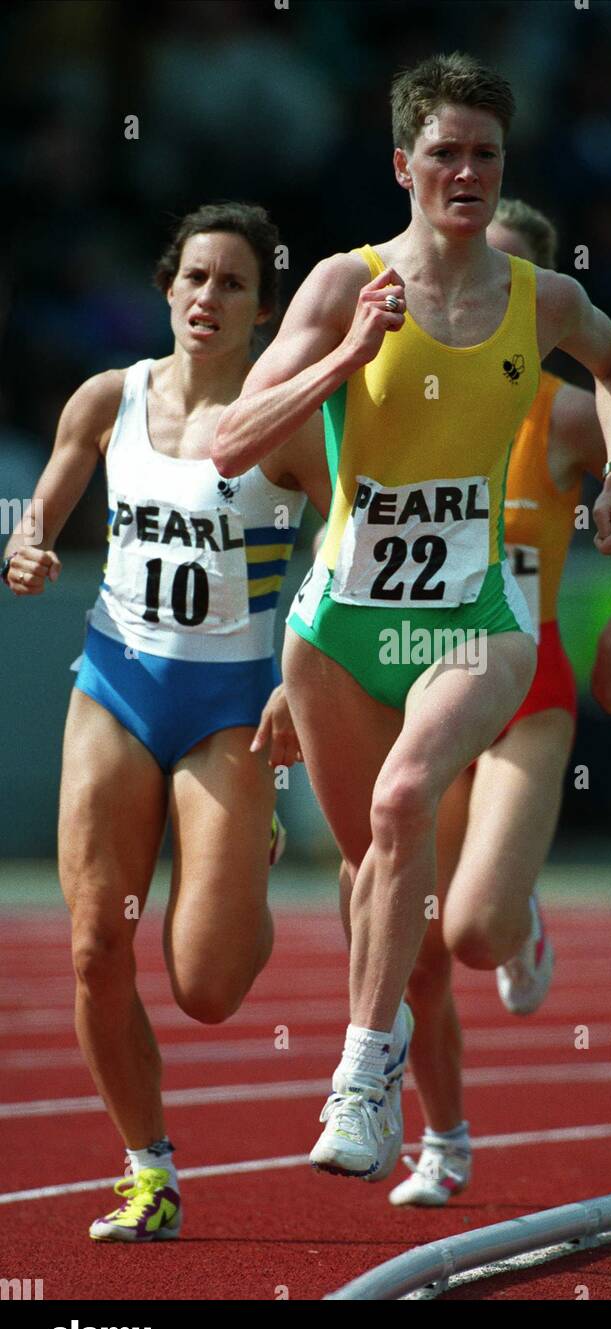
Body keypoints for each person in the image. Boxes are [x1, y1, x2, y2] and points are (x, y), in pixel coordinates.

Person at [213, 52, 611, 1181]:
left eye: (484, 155)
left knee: (409, 794)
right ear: (403, 165)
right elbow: (229, 440)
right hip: (340, 625)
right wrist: (349, 355)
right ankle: (434, 1113)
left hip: (474, 616)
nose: (465, 171)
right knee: (376, 883)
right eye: (444, 153)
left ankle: (360, 1086)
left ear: (502, 171)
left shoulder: (538, 299)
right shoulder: (338, 288)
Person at [1, 202, 328, 1239]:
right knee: (97, 947)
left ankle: (248, 858)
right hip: (116, 681)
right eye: (194, 277)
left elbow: (344, 540)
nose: (207, 298)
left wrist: (299, 671)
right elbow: (45, 500)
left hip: (232, 704)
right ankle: (149, 1170)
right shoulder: (111, 396)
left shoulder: (284, 418)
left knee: (208, 986)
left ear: (265, 309)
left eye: (233, 284)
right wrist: (26, 545)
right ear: (166, 287)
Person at [386, 198, 611, 1204]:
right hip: (422, 676)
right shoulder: (404, 390)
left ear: (541, 302)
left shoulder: (564, 412)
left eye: (506, 275)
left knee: (472, 932)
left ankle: (518, 915)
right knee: (416, 949)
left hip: (529, 682)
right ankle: (444, 1140)